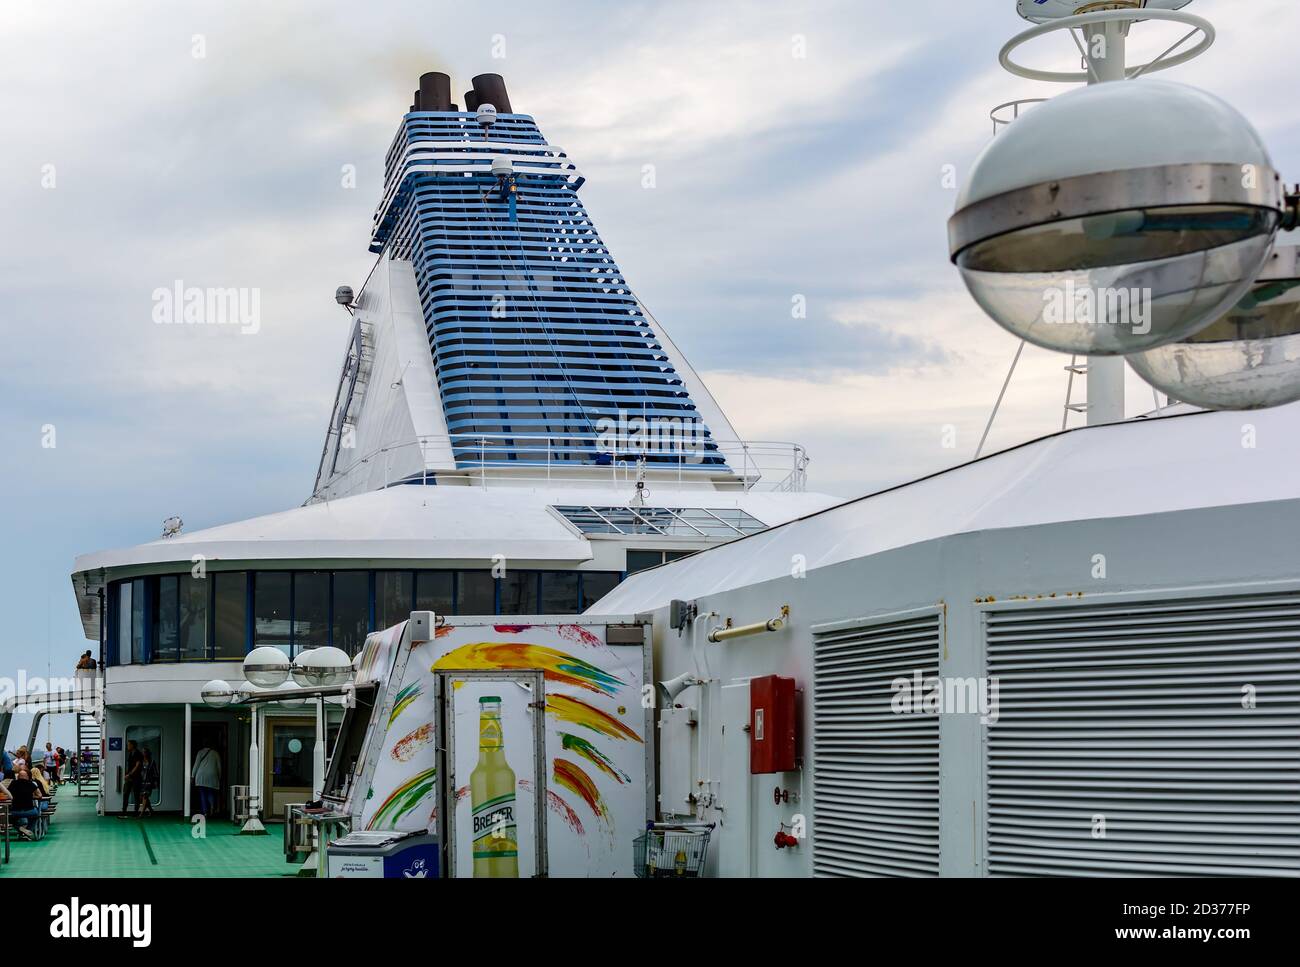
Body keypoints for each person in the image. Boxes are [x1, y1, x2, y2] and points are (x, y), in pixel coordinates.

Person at [7, 767, 44, 840]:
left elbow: (8, 794)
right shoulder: (31, 784)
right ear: (27, 777)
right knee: (36, 815)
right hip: (29, 811)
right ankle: (28, 830)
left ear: (18, 776)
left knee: (9, 817)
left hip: (15, 811)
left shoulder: (13, 783)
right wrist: (32, 795)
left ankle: (20, 828)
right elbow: (40, 795)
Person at [192, 743, 221, 818]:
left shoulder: (200, 752)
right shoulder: (216, 753)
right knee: (211, 793)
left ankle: (205, 812)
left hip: (201, 776)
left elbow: (196, 765)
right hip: (212, 776)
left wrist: (192, 776)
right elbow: (219, 766)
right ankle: (211, 808)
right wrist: (219, 776)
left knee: (203, 794)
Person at [121, 739, 143, 817]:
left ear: (132, 745)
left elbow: (137, 765)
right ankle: (124, 812)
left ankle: (135, 813)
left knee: (136, 795)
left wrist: (129, 774)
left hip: (136, 778)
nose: (127, 746)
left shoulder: (138, 754)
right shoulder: (131, 753)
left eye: (129, 745)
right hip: (130, 778)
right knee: (125, 794)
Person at [137, 748, 158, 817]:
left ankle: (141, 813)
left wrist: (155, 781)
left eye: (145, 752)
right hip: (141, 781)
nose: (144, 753)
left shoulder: (152, 761)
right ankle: (151, 810)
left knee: (145, 796)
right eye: (143, 752)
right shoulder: (140, 761)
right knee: (142, 796)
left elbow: (155, 771)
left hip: (149, 781)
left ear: (148, 753)